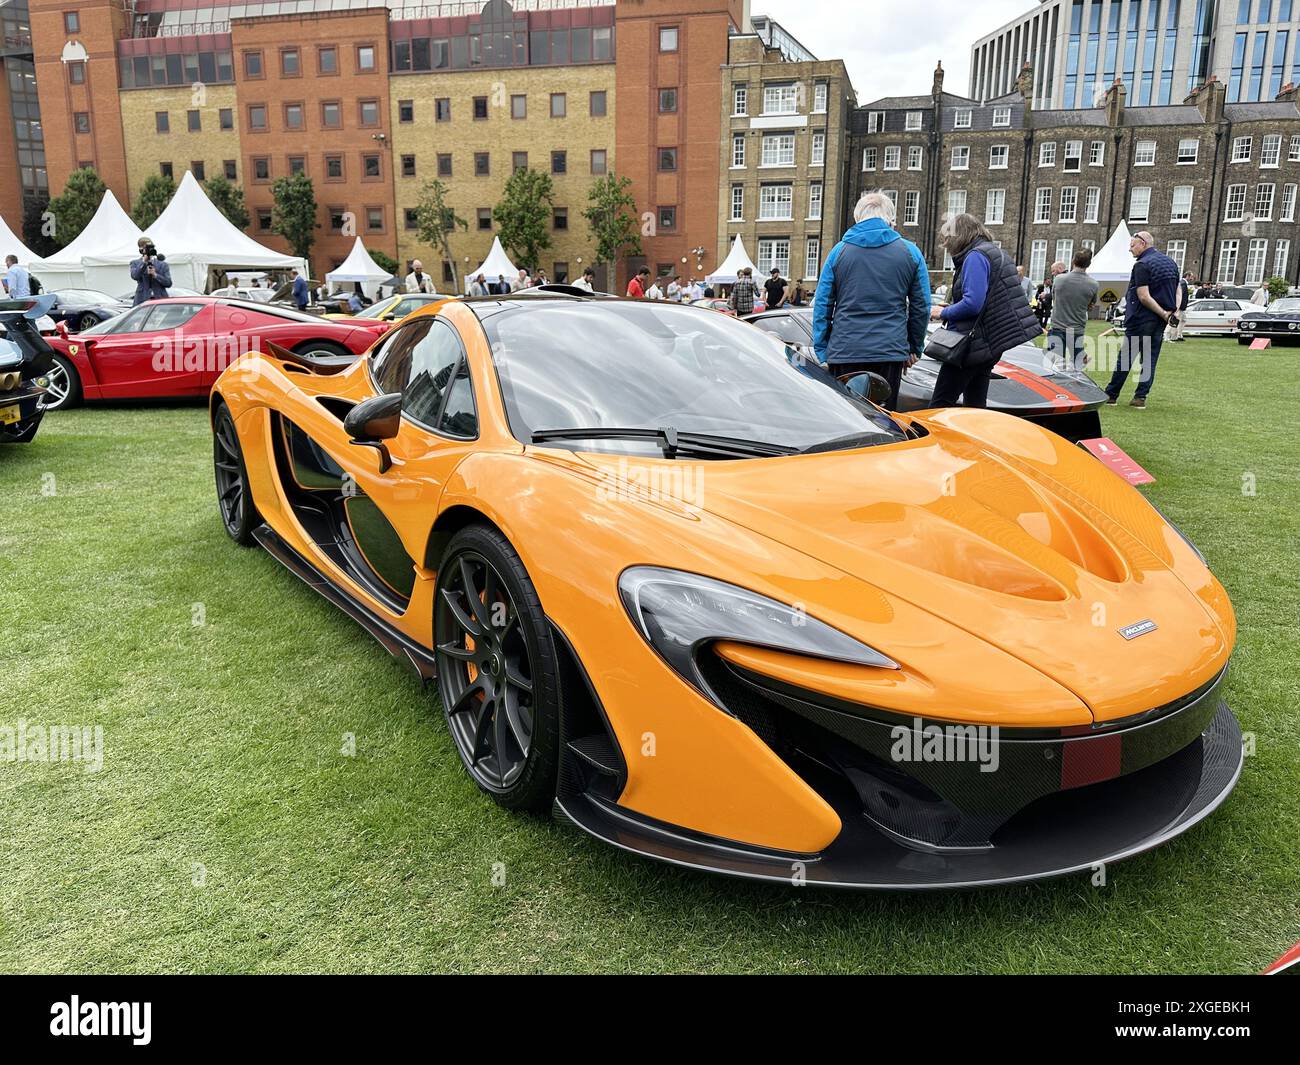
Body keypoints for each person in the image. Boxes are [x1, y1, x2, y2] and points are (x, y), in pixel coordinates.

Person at [812, 190, 930, 410]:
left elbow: (823, 304)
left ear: (857, 218)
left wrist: (823, 348)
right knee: (885, 421)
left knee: (847, 418)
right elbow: (921, 306)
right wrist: (913, 347)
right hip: (889, 350)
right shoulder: (910, 252)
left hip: (845, 349)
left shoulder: (839, 252)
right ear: (891, 219)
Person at [929, 212, 1040, 409]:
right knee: (975, 407)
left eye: (947, 239)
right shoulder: (995, 253)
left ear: (958, 236)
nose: (946, 245)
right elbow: (988, 299)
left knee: (939, 406)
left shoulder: (975, 256)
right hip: (990, 343)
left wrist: (942, 313)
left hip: (971, 346)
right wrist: (954, 307)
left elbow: (973, 303)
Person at [1104, 230, 1180, 409]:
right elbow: (1178, 290)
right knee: (1150, 359)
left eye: (1132, 246)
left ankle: (1111, 394)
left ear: (1143, 243)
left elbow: (1143, 296)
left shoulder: (1142, 264)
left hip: (1142, 318)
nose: (1130, 250)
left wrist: (1163, 313)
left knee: (1126, 357)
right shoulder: (1171, 262)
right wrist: (1171, 313)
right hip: (1161, 320)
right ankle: (1140, 397)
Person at [1047, 249, 1099, 370]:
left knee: (1056, 366)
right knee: (1077, 364)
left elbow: (1055, 299)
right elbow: (1090, 305)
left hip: (1058, 326)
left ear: (1073, 261)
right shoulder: (1093, 284)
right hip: (1077, 328)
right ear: (1088, 264)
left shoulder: (1059, 279)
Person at [131, 237, 172, 305]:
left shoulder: (162, 264)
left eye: (150, 247)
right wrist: (144, 262)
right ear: (141, 250)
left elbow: (168, 283)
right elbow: (135, 276)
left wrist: (155, 275)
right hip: (142, 300)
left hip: (160, 299)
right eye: (146, 248)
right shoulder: (135, 263)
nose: (149, 250)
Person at [1167, 271, 1193, 342]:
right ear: (1187, 276)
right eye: (1191, 277)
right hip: (1180, 307)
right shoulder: (1183, 283)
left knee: (1183, 320)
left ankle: (1178, 335)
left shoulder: (1183, 283)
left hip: (1183, 307)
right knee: (1174, 321)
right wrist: (1178, 307)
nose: (1192, 278)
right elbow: (1179, 296)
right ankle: (1167, 336)